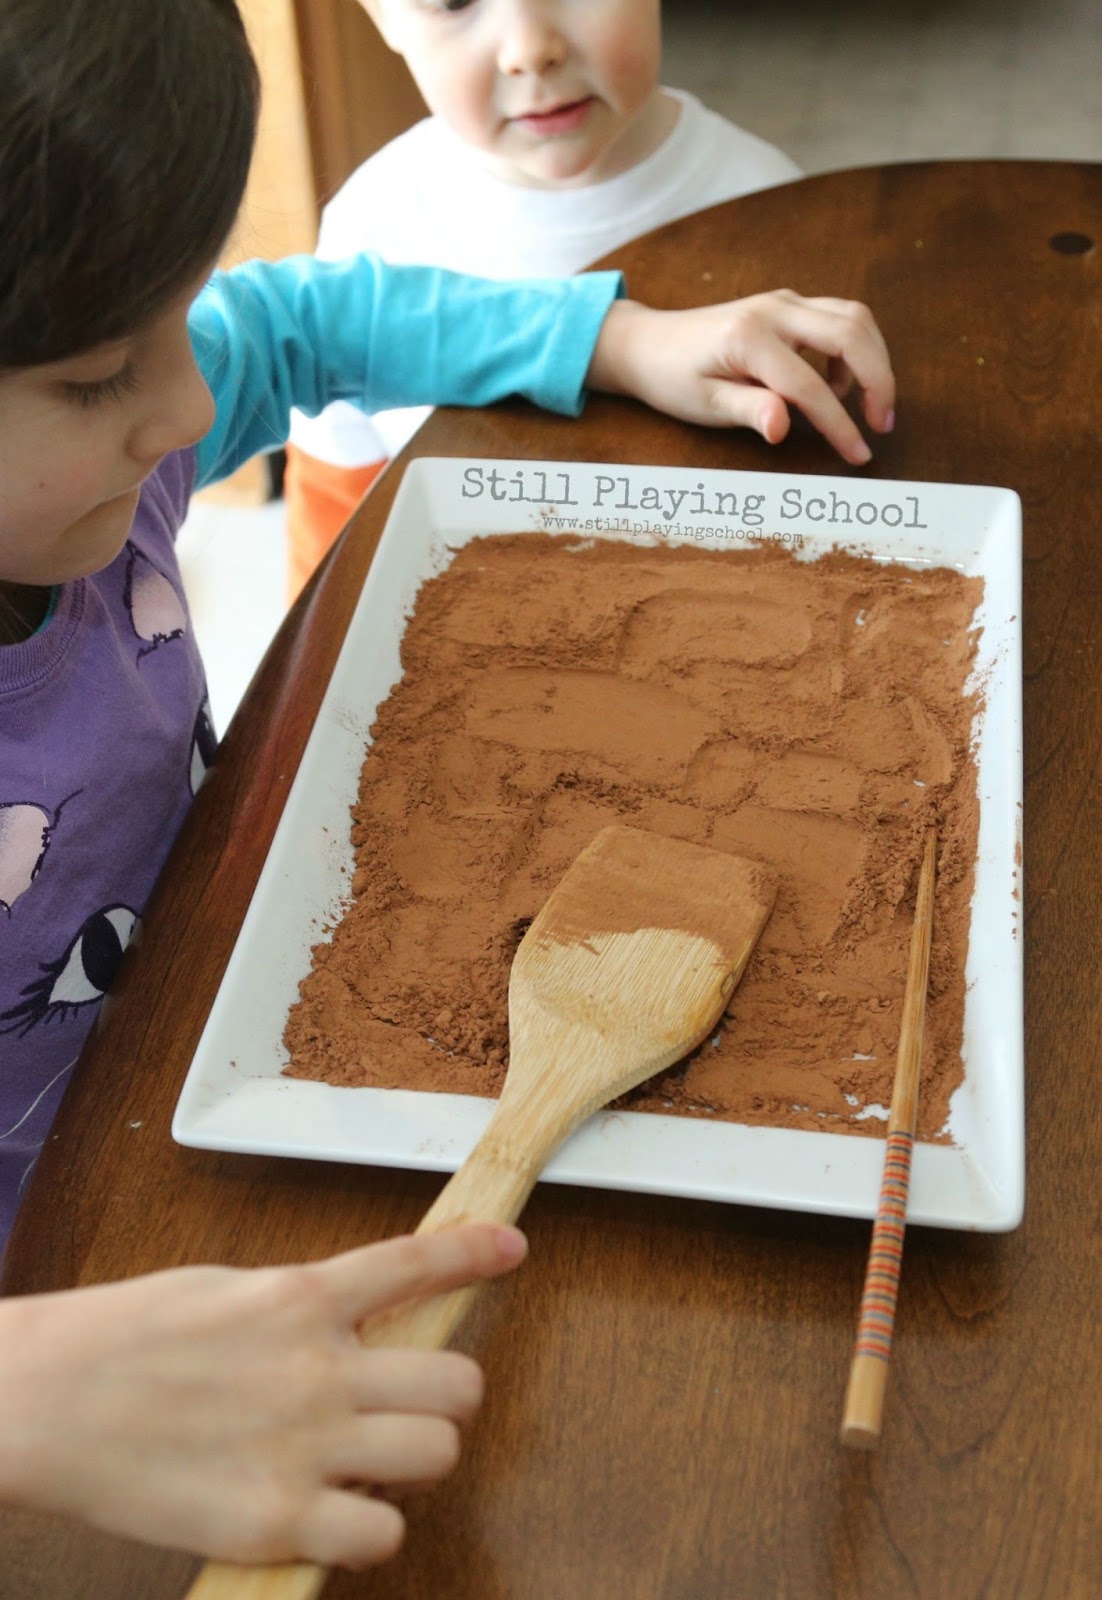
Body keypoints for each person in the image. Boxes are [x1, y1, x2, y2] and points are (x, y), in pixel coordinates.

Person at [0, 0, 894, 1569]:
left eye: (173, 317)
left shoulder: (114, 449)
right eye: (93, 382)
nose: (194, 414)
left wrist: (614, 339)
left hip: (219, 1080)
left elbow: (301, 326)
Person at [285, 0, 806, 596]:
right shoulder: (371, 231)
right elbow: (335, 502)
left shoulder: (773, 210)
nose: (531, 49)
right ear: (382, 17)